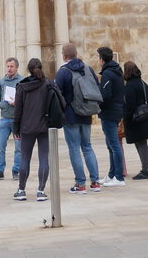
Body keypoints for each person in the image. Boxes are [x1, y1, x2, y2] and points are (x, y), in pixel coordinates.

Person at [11, 57, 61, 202]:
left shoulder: (22, 86)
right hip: (44, 126)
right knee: (44, 158)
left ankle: (21, 190)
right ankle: (41, 191)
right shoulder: (49, 84)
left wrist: (16, 128)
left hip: (27, 127)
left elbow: (18, 110)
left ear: (28, 70)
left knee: (25, 158)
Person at [55, 43, 102, 193]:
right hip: (87, 113)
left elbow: (57, 94)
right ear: (76, 54)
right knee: (87, 146)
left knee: (74, 148)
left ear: (64, 56)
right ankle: (95, 182)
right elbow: (96, 87)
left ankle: (80, 184)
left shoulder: (63, 72)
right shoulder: (88, 68)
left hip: (71, 115)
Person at [0, 57, 23, 181]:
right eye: (8, 66)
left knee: (19, 147)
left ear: (17, 67)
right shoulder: (2, 81)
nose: (9, 68)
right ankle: (0, 171)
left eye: (12, 66)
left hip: (17, 120)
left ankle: (16, 170)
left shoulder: (22, 81)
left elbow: (26, 100)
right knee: (1, 146)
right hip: (4, 119)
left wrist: (17, 102)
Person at [97, 47, 126, 186]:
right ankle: (112, 174)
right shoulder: (117, 71)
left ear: (102, 59)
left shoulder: (108, 74)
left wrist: (98, 103)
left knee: (114, 145)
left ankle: (119, 177)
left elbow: (106, 95)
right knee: (111, 145)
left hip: (110, 112)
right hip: (115, 111)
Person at [122, 61, 148, 180]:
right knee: (142, 142)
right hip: (146, 116)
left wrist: (125, 118)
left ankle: (146, 170)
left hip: (137, 119)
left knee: (141, 143)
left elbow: (129, 105)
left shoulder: (130, 86)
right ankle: (145, 169)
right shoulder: (142, 83)